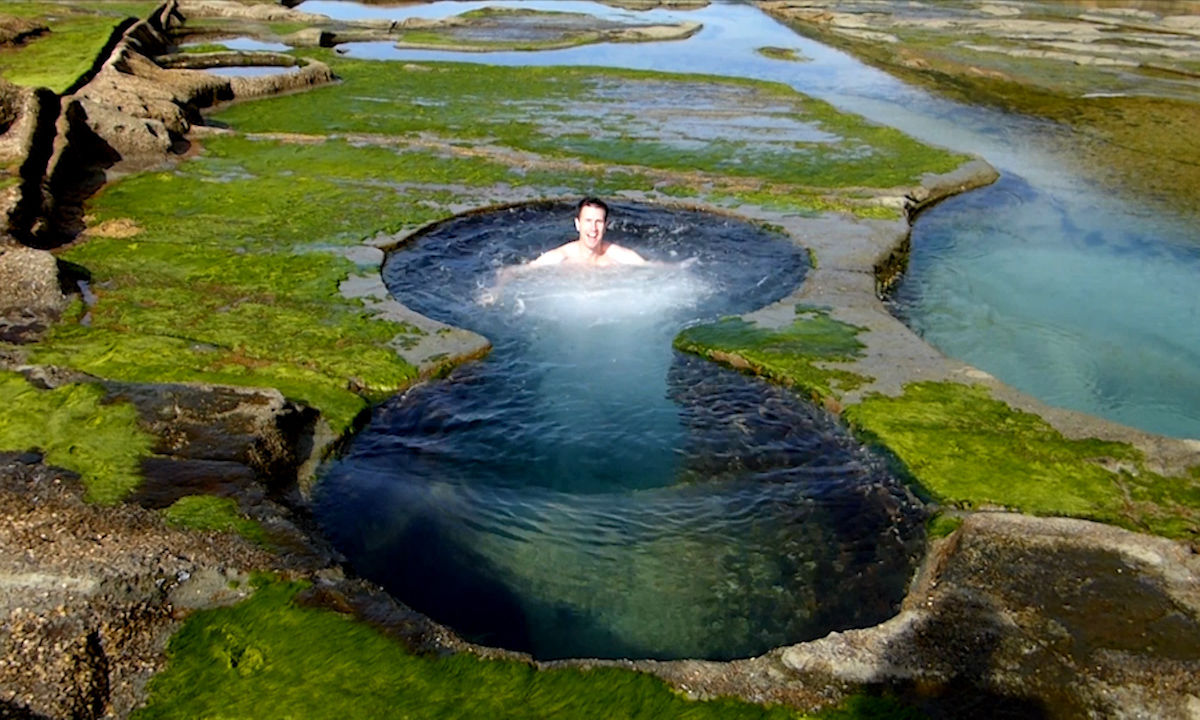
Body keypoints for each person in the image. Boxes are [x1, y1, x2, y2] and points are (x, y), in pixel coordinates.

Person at [529, 197, 647, 267]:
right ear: (578, 224)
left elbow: (652, 270)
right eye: (588, 221)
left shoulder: (620, 257)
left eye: (598, 222)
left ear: (605, 226)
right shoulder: (560, 258)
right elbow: (524, 272)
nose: (593, 228)